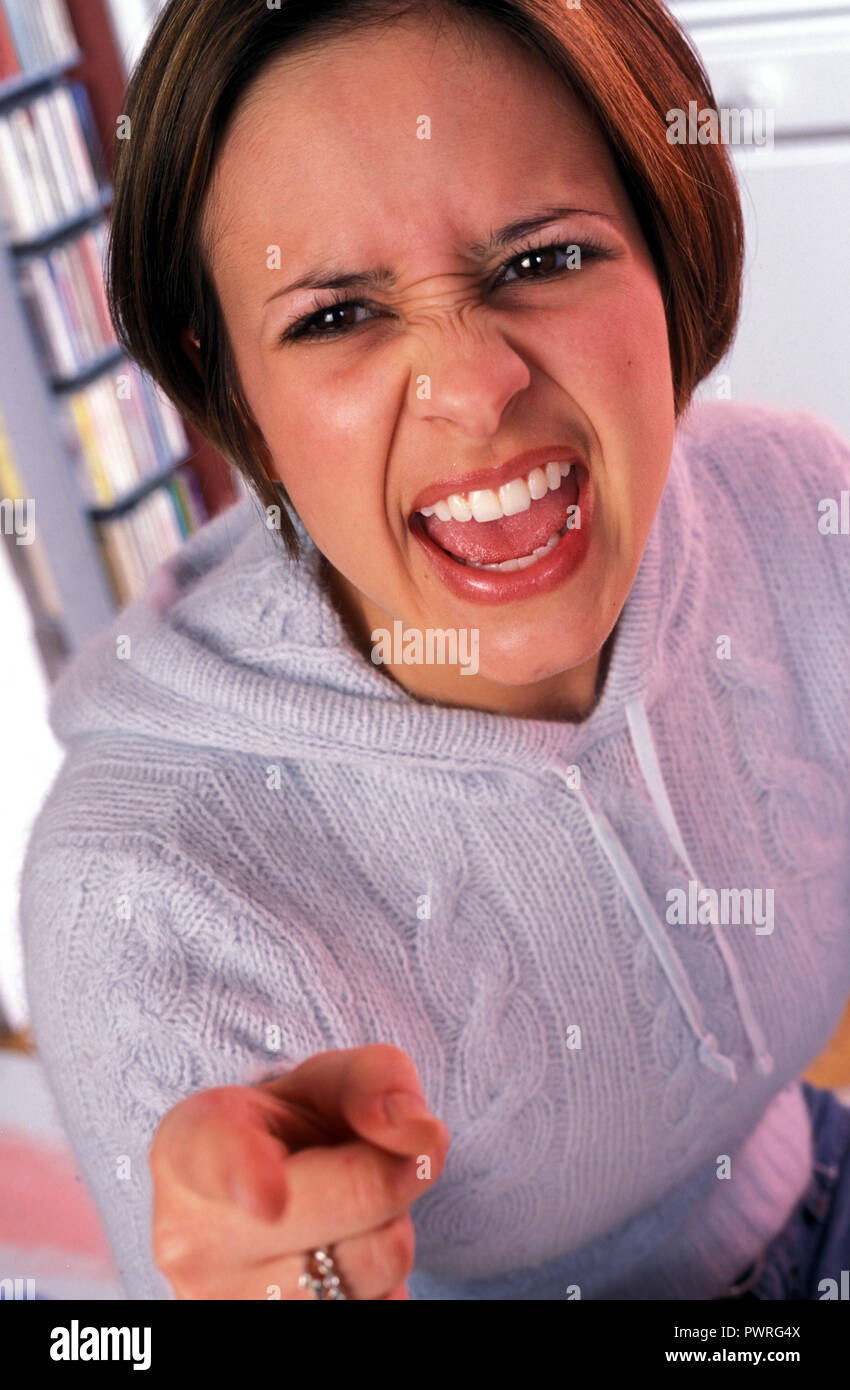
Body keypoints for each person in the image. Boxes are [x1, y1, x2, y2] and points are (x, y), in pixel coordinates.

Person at [20, 0, 850, 1301]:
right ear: (227, 380)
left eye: (540, 260)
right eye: (337, 315)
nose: (471, 386)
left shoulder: (798, 504)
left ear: (662, 240)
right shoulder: (138, 873)